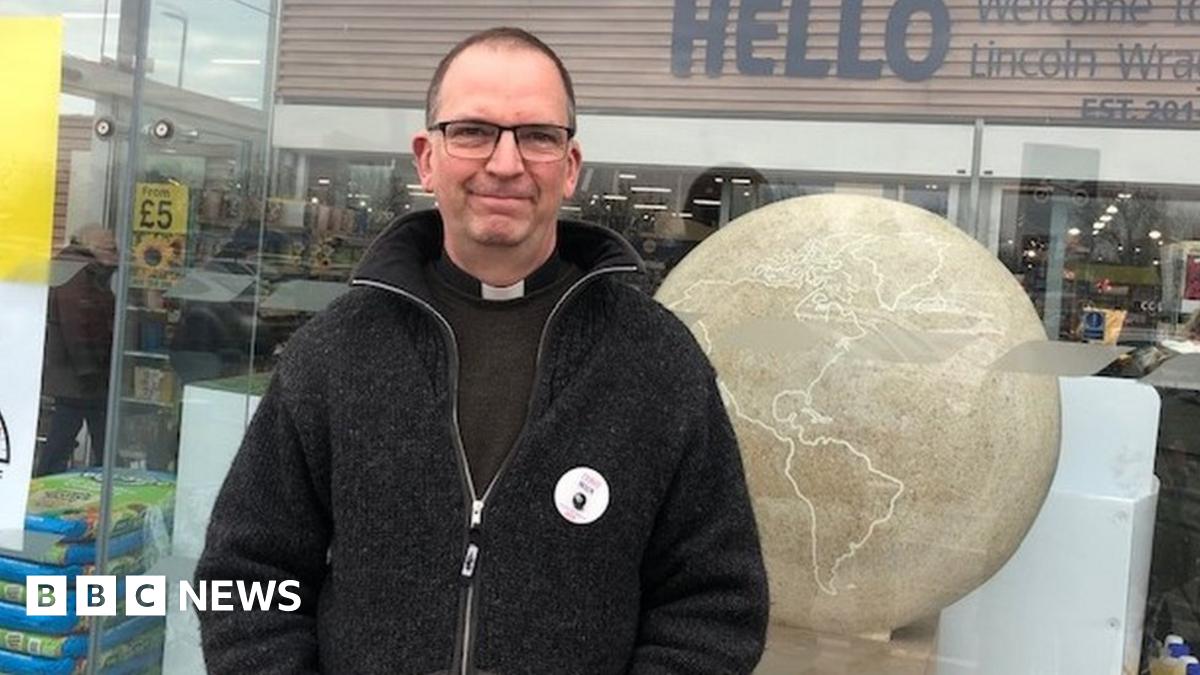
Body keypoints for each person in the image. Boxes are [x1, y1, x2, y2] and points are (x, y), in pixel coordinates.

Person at [196, 27, 768, 674]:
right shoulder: (332, 354)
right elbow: (246, 579)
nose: (504, 163)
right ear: (426, 157)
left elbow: (715, 604)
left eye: (537, 136)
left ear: (571, 165)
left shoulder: (658, 362)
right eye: (472, 131)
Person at [35, 225, 117, 476]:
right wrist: (90, 371)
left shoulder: (81, 270)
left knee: (79, 431)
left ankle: (103, 477)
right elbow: (77, 326)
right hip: (79, 373)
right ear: (92, 247)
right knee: (71, 433)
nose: (117, 255)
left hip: (76, 372)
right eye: (111, 249)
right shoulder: (77, 273)